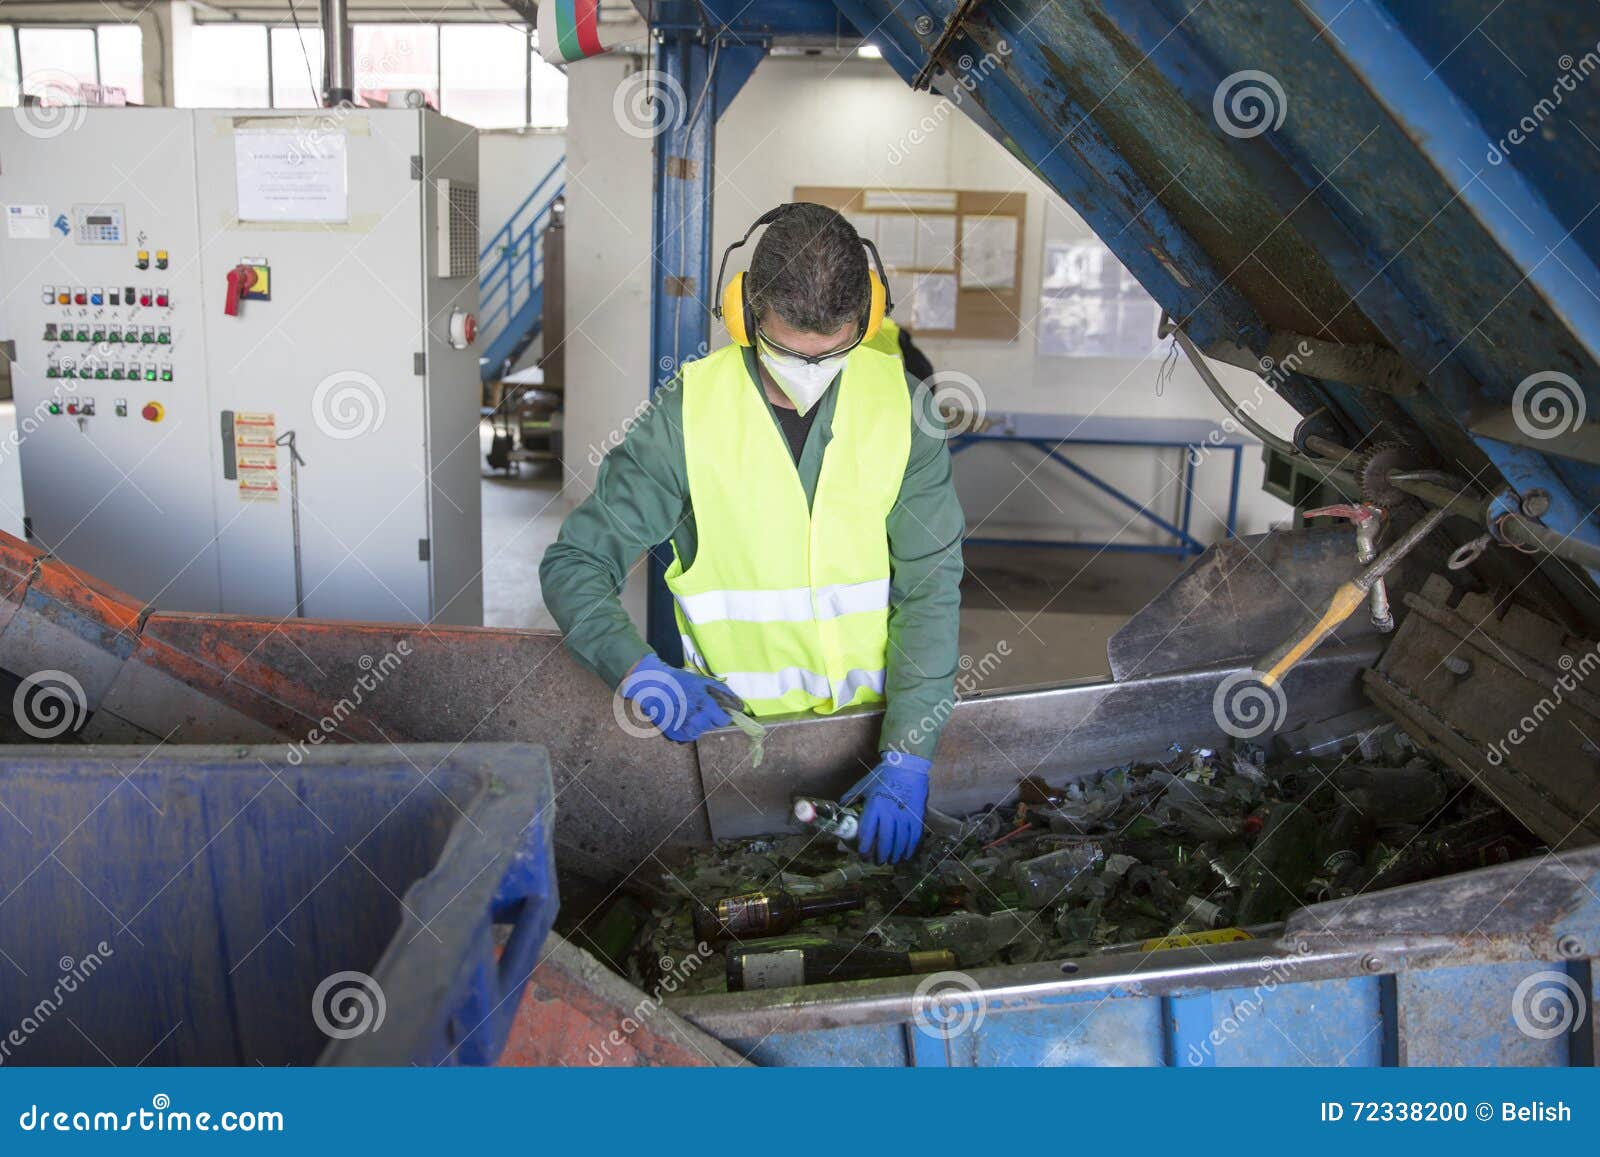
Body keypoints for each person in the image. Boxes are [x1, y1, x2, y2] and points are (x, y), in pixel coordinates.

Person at [540, 203, 963, 864]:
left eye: (832, 355)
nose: (810, 379)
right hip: (738, 753)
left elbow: (930, 591)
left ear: (865, 320)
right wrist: (638, 670)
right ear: (746, 314)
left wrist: (911, 752)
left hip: (874, 749)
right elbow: (575, 562)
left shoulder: (905, 409)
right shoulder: (687, 417)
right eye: (789, 353)